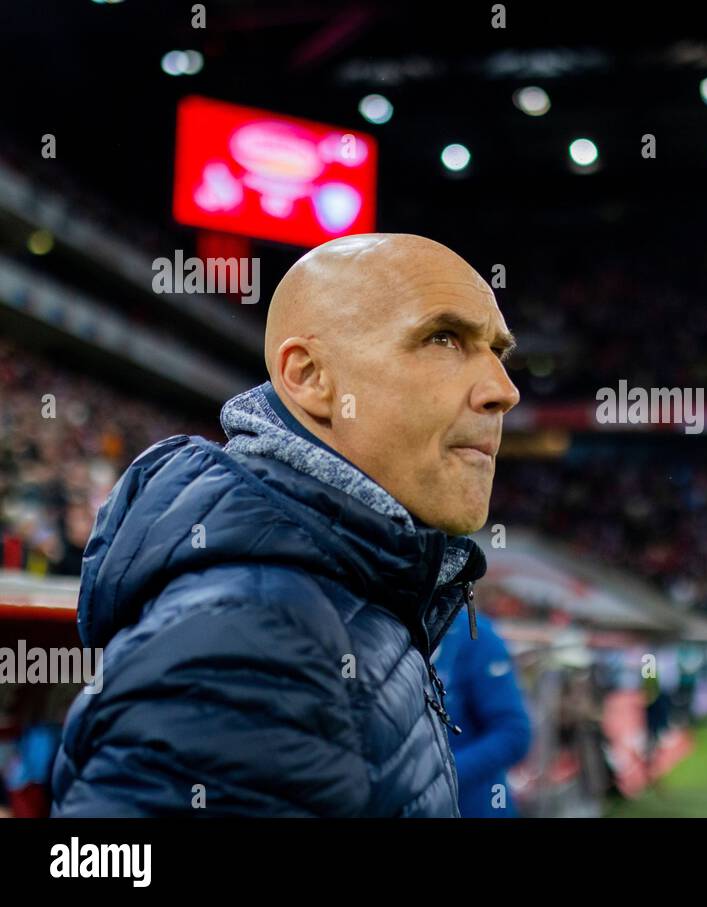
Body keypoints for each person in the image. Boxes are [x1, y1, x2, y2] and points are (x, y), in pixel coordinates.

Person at [51, 233, 520, 817]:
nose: (504, 391)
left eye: (497, 352)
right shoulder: (252, 644)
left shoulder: (345, 598)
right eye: (443, 338)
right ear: (309, 375)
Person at [433, 610, 531, 817]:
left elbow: (514, 734)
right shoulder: (381, 628)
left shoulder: (473, 634)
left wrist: (440, 776)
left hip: (474, 806)